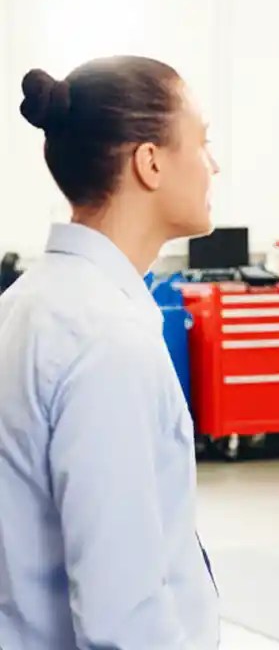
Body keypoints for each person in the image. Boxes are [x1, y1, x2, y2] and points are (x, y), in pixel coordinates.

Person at [0, 57, 221, 649]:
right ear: (149, 162)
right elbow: (122, 618)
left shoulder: (26, 305)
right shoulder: (106, 341)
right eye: (201, 144)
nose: (213, 166)